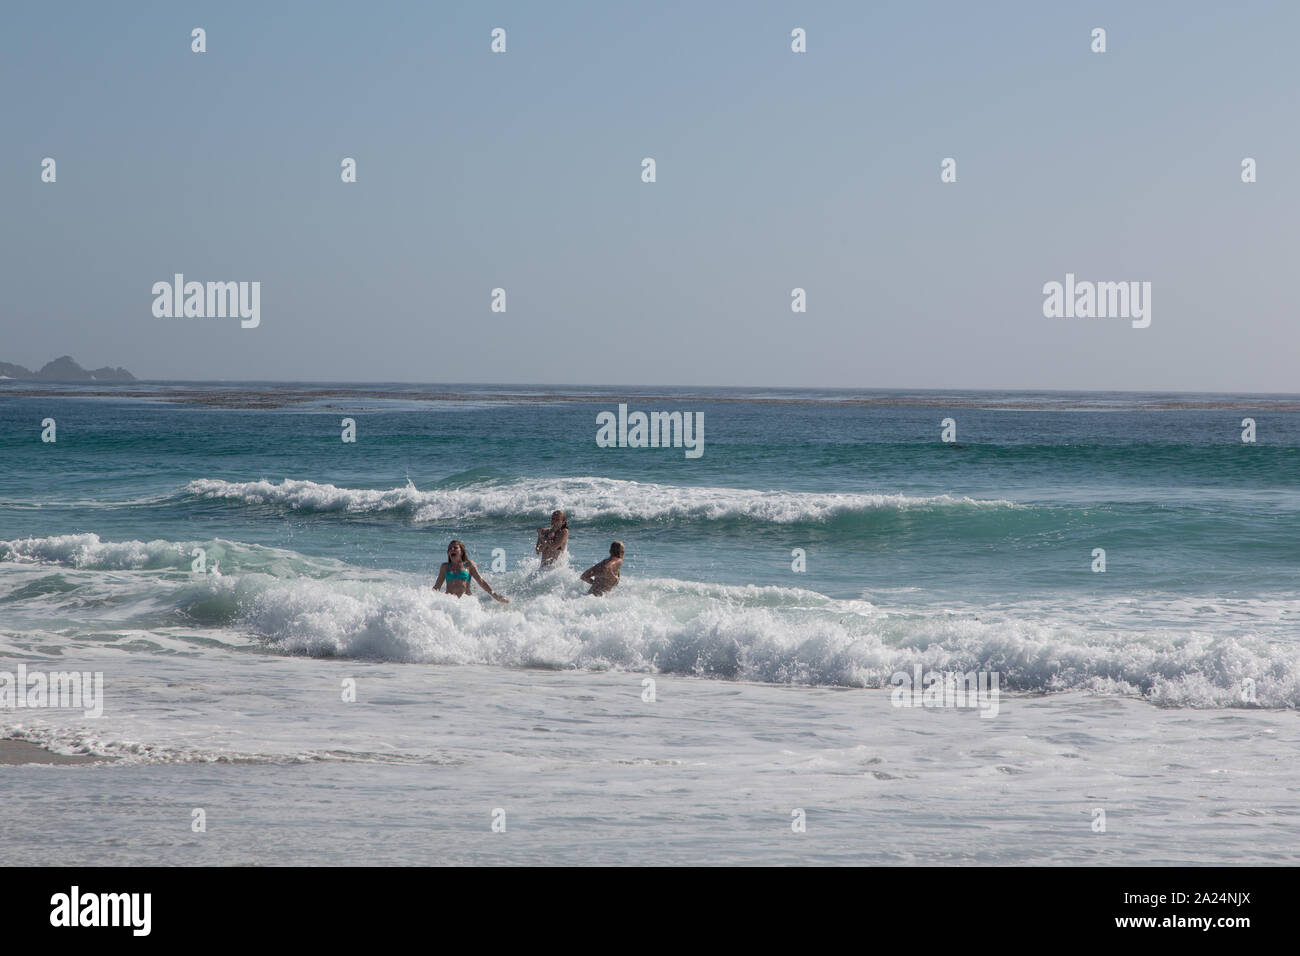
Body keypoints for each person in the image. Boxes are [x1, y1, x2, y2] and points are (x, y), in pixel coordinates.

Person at [434, 540, 509, 603]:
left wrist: (496, 596)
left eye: (455, 548)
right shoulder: (445, 567)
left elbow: (481, 582)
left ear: (462, 552)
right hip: (450, 602)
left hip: (466, 602)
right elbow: (437, 587)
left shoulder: (469, 565)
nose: (452, 549)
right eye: (450, 548)